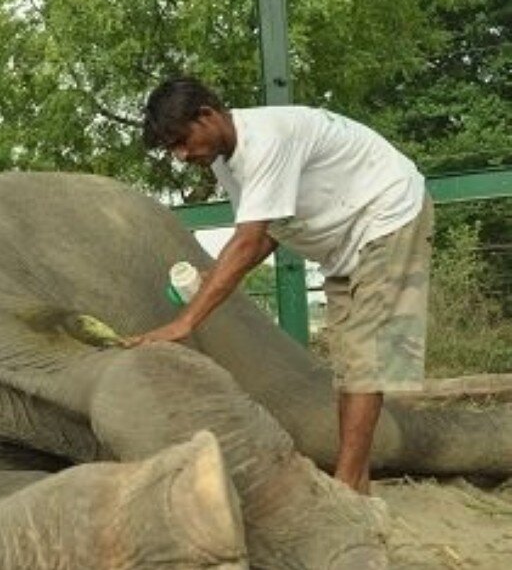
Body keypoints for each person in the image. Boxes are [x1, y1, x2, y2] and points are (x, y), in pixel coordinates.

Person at [127, 76, 434, 495]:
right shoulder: (224, 160)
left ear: (208, 115)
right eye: (172, 149)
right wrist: (211, 280)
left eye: (182, 141)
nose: (181, 155)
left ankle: (345, 488)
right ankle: (355, 483)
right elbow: (268, 231)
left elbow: (250, 239)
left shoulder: (267, 141)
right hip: (344, 244)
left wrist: (185, 322)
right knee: (348, 364)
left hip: (388, 216)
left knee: (368, 358)